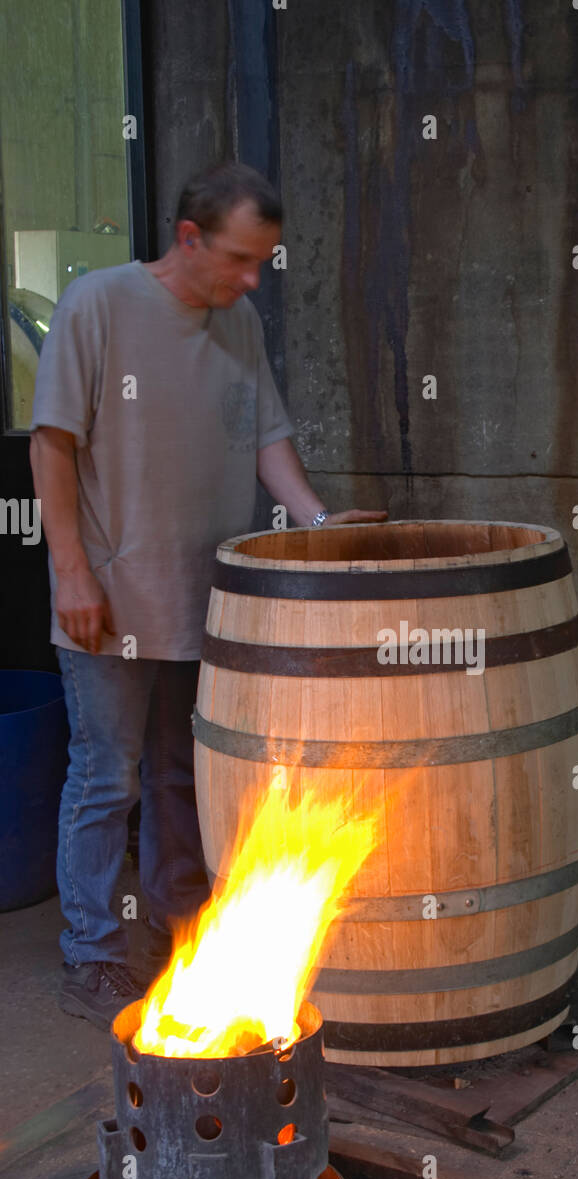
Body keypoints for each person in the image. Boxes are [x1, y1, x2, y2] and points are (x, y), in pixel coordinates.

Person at [29, 162, 387, 1031]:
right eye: (239, 259)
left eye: (262, 260)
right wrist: (71, 571)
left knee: (184, 773)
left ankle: (179, 925)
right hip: (111, 596)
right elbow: (52, 442)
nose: (252, 279)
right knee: (105, 780)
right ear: (188, 238)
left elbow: (267, 438)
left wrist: (317, 520)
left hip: (211, 597)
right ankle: (94, 954)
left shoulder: (238, 325)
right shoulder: (99, 305)